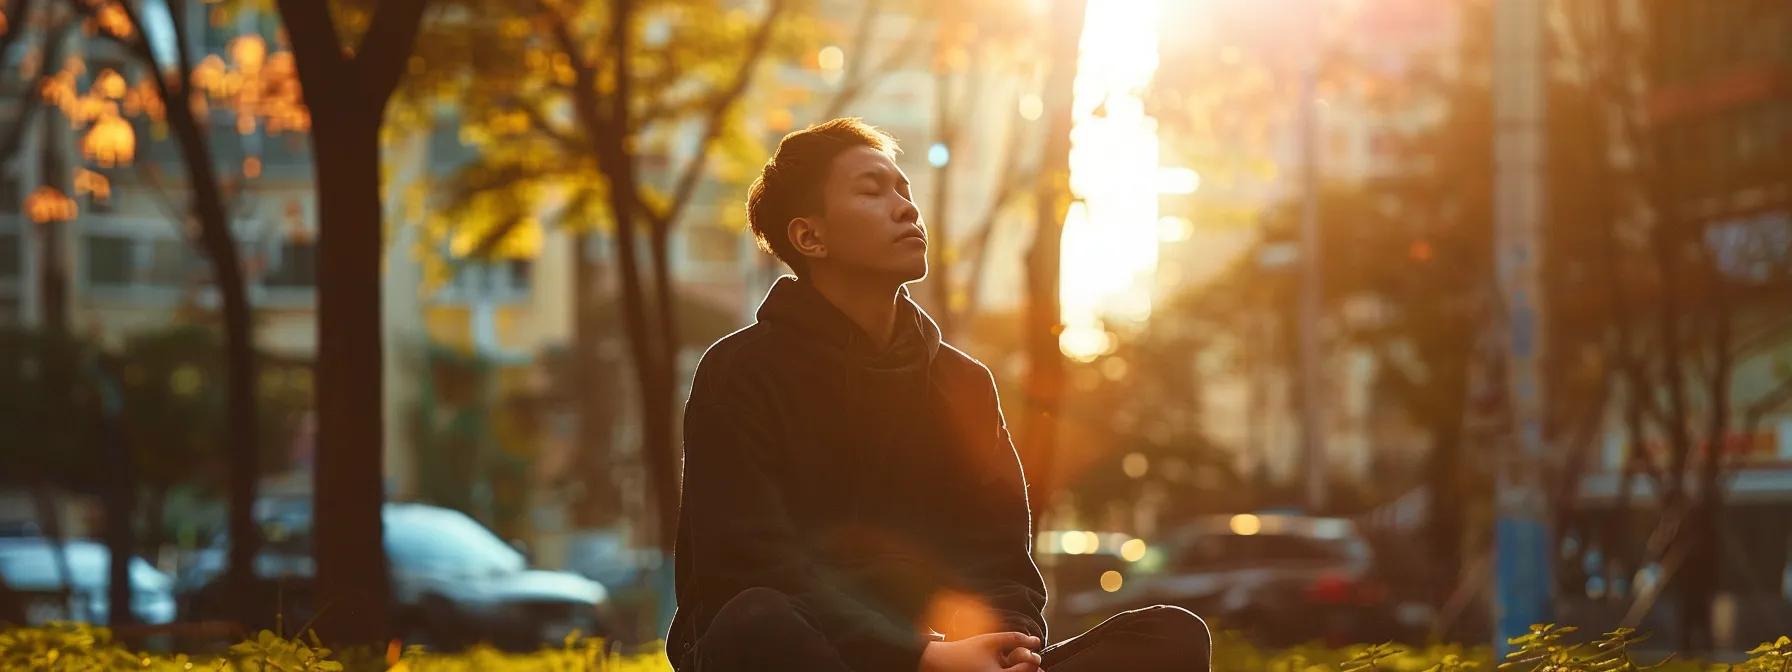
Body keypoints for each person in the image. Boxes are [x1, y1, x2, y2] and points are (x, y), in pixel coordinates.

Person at [666, 118, 1212, 672]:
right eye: (872, 191)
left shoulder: (962, 384)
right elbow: (750, 566)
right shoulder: (740, 373)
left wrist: (1006, 647)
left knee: (1170, 635)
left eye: (904, 190)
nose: (906, 208)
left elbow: (1002, 563)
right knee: (756, 620)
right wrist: (916, 656)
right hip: (806, 650)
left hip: (939, 659)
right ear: (810, 236)